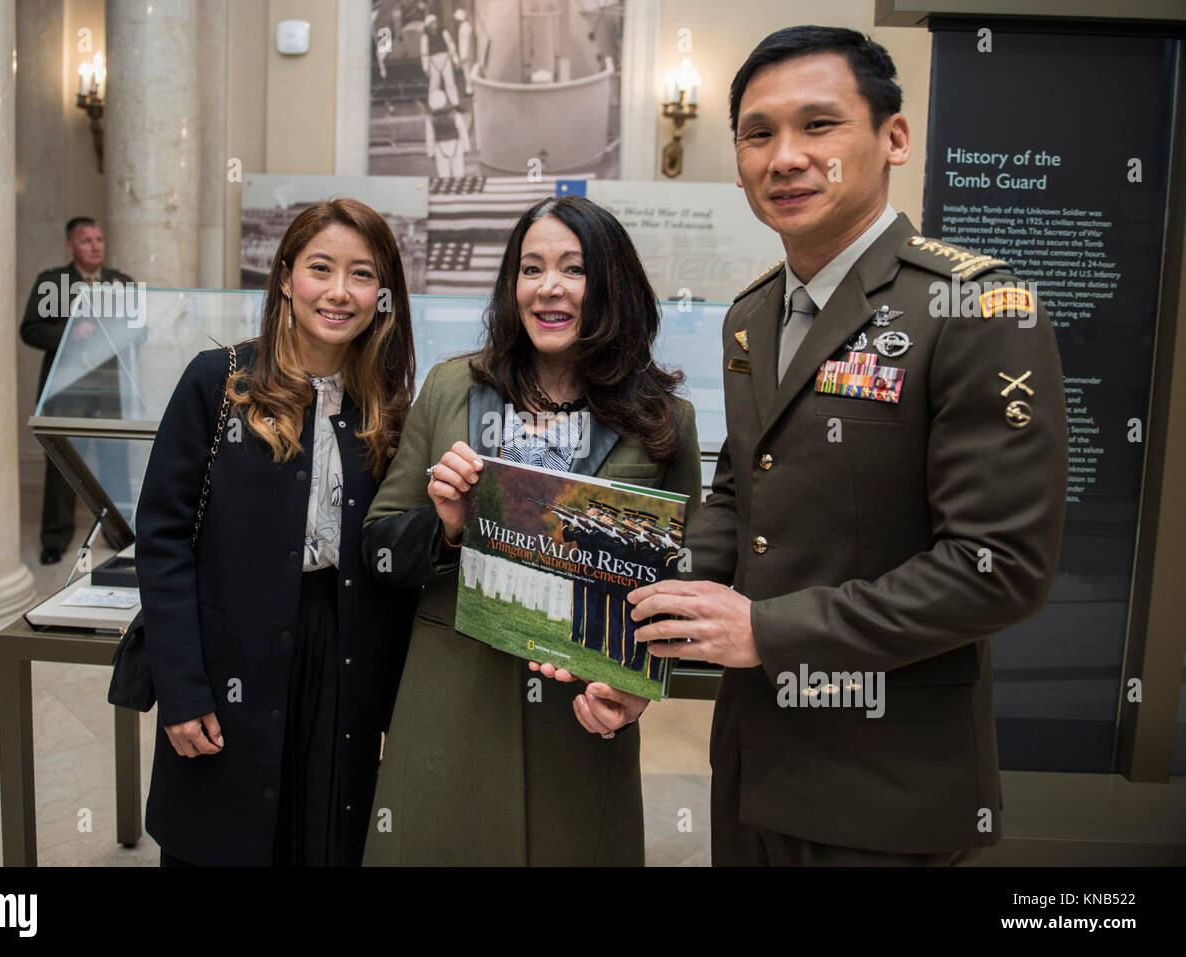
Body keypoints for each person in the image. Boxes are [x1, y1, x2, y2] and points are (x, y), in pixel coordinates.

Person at [627, 25, 1067, 866]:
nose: (785, 156)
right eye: (758, 134)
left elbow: (998, 566)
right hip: (752, 764)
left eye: (819, 125)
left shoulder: (980, 309)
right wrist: (637, 621)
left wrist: (766, 630)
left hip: (886, 783)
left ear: (893, 137)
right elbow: (738, 496)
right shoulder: (752, 315)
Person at [361, 195, 702, 865]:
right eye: (531, 267)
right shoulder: (451, 387)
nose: (549, 286)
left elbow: (683, 576)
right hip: (451, 710)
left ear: (611, 286)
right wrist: (448, 527)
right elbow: (376, 544)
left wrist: (640, 682)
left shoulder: (665, 419)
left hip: (580, 723)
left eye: (573, 269)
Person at [134, 199, 418, 866]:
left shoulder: (387, 404)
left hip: (342, 646)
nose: (340, 291)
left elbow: (394, 555)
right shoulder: (219, 382)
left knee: (322, 835)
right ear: (286, 277)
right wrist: (181, 690)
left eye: (362, 274)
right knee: (225, 836)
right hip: (230, 647)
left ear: (382, 295)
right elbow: (163, 537)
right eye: (321, 268)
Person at [19, 217, 134, 564]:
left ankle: (124, 534)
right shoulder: (52, 281)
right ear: (71, 246)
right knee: (63, 468)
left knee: (115, 463)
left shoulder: (121, 282)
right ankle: (55, 539)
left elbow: (140, 330)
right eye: (87, 241)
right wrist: (69, 331)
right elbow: (30, 330)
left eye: (99, 239)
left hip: (110, 392)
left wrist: (120, 331)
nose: (96, 245)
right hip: (66, 392)